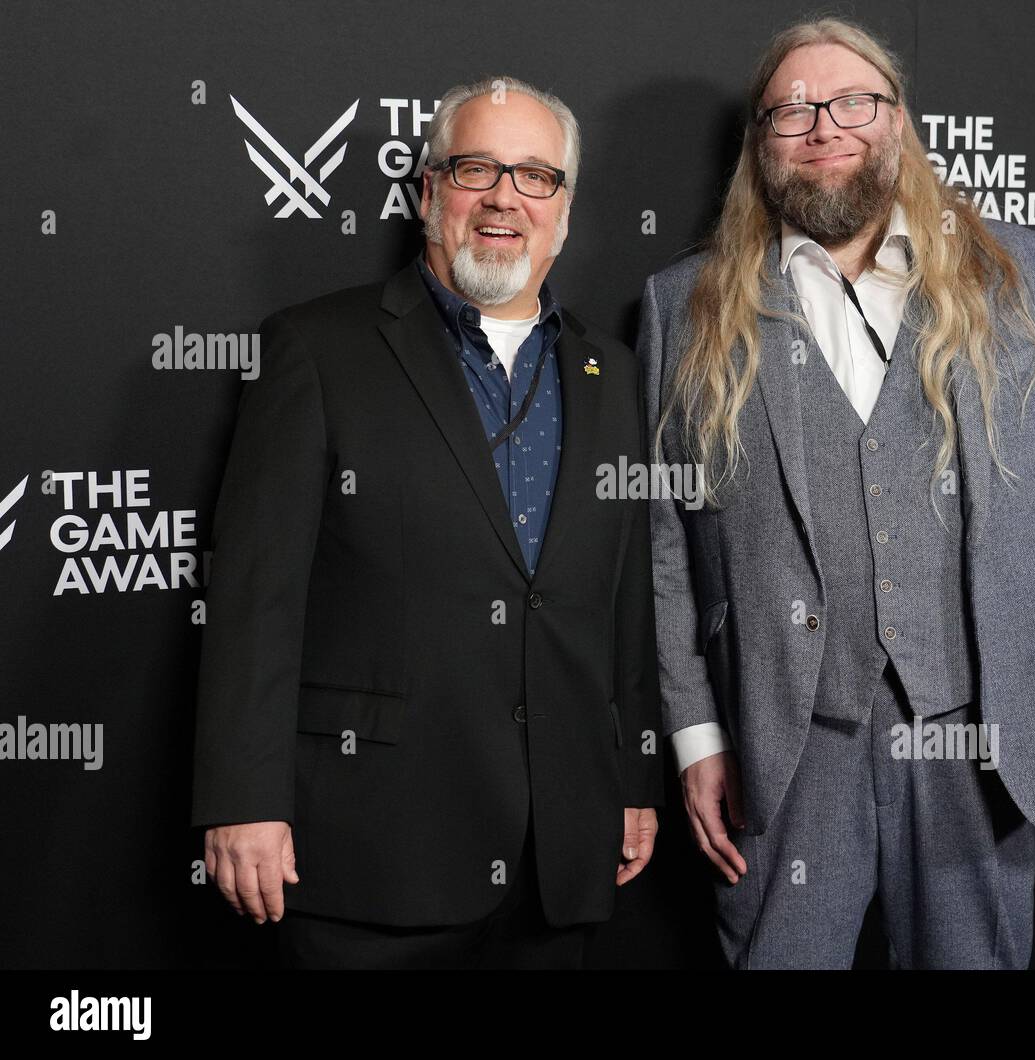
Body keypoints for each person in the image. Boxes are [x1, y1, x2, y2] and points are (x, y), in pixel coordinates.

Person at [638, 17, 1035, 969]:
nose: (825, 126)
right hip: (784, 745)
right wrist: (694, 735)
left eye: (855, 102)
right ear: (761, 144)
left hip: (981, 736)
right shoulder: (686, 304)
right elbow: (669, 545)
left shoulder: (1029, 275)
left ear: (897, 123)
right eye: (792, 109)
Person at [192, 75, 663, 969]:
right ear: (427, 194)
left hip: (560, 852)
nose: (504, 199)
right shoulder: (316, 349)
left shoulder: (614, 375)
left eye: (536, 177)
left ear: (564, 212)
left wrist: (633, 777)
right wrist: (242, 798)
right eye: (475, 168)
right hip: (372, 848)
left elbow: (625, 601)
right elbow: (257, 595)